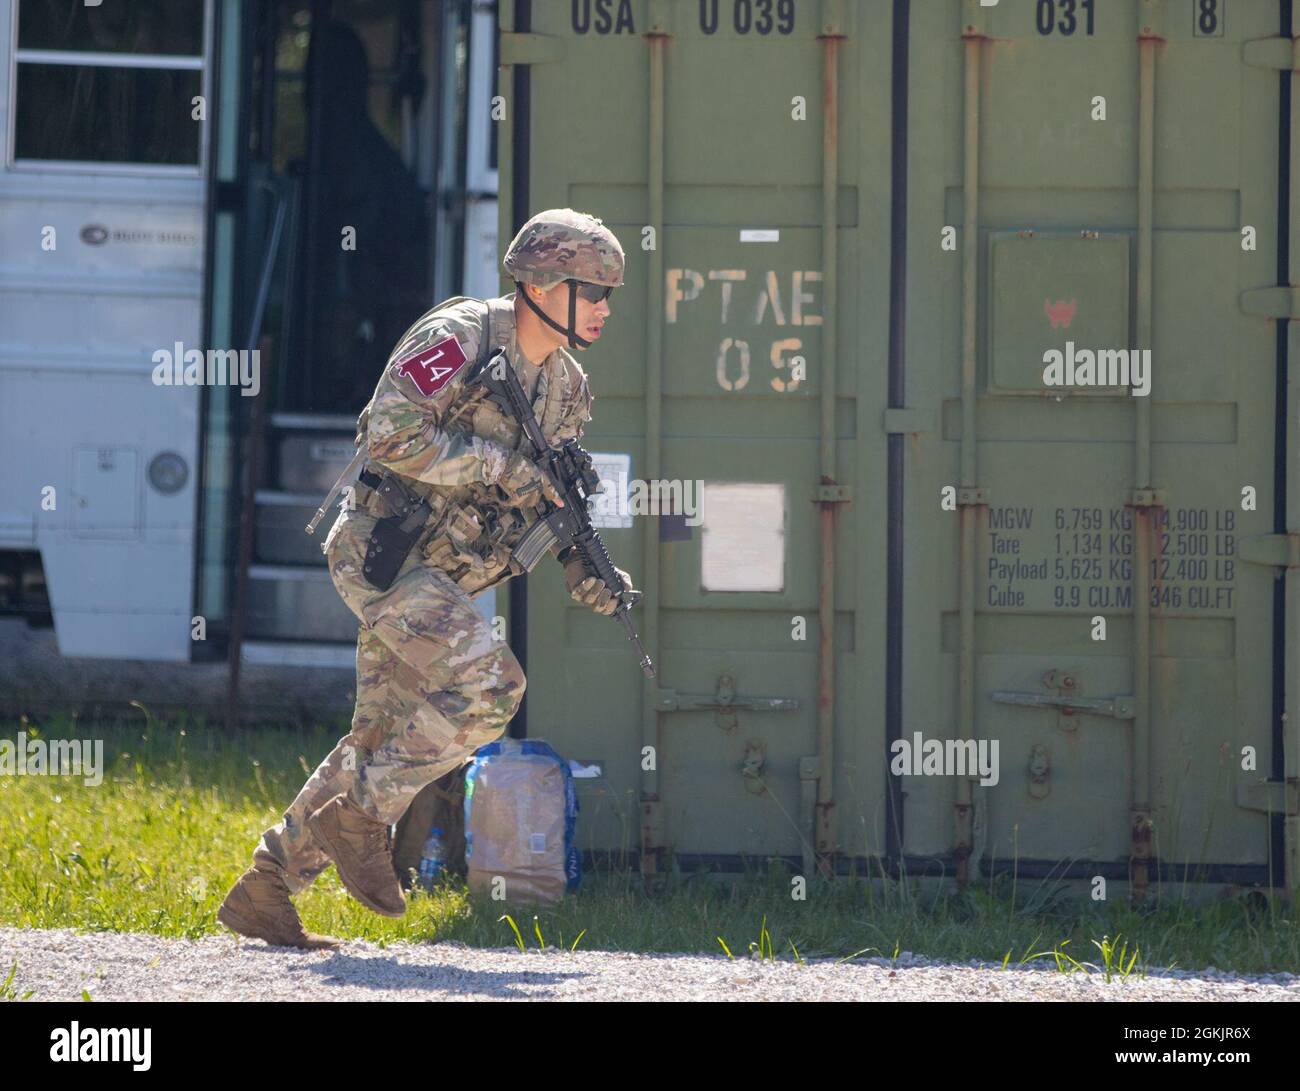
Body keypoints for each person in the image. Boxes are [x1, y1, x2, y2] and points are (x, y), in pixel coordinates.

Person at [217, 209, 635, 948]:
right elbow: (389, 432)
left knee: (377, 737)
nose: (603, 306)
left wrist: (584, 567)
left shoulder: (568, 389)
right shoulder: (461, 338)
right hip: (383, 554)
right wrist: (499, 463)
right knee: (491, 688)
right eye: (590, 289)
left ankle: (267, 886)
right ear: (539, 282)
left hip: (446, 578)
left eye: (609, 294)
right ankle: (360, 816)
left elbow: (550, 496)